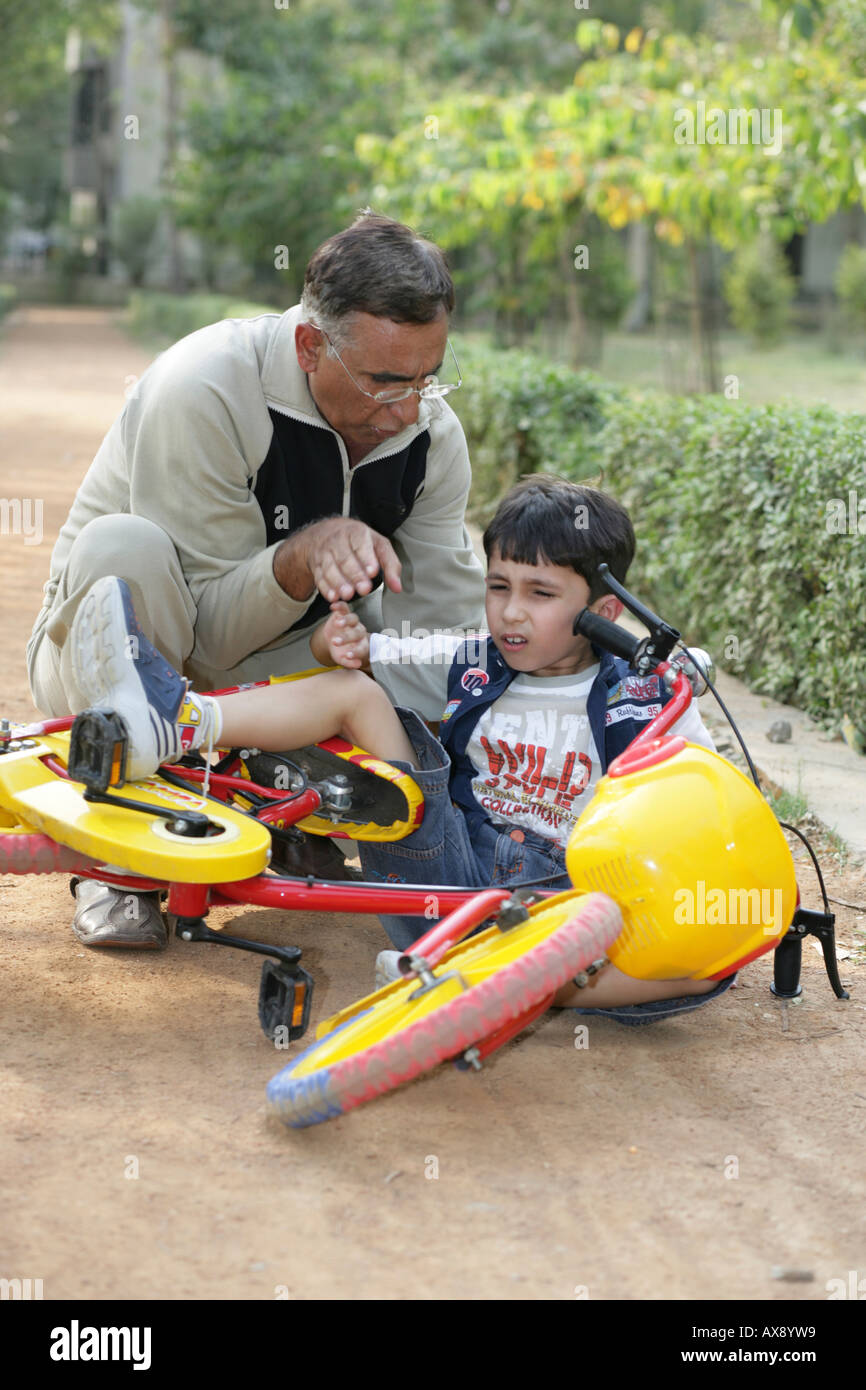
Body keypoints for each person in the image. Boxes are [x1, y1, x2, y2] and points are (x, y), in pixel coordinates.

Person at [67, 477, 734, 1024]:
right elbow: (360, 660)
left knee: (709, 960)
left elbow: (705, 814)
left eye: (541, 594)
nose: (510, 614)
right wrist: (340, 645)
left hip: (555, 910)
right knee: (355, 692)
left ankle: (487, 984)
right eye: (499, 587)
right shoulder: (472, 662)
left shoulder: (647, 703)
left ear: (604, 614)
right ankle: (176, 724)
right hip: (439, 871)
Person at [26, 211, 485, 948]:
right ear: (310, 345)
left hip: (281, 676)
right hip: (131, 650)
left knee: (394, 653)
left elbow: (442, 625)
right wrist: (301, 558)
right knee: (126, 547)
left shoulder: (429, 435)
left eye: (428, 377)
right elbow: (205, 639)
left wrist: (493, 760)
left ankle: (278, 801)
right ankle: (114, 859)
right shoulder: (203, 388)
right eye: (384, 382)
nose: (407, 409)